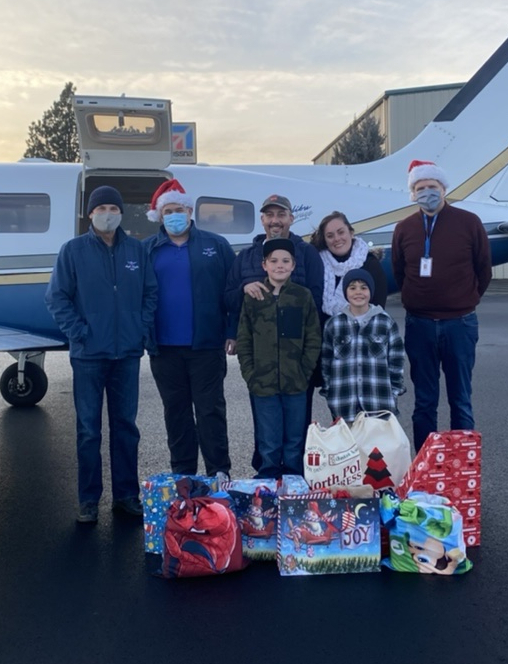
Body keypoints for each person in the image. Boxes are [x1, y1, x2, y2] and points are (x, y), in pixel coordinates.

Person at [45, 186, 157, 523]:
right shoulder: (73, 251)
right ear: (90, 214)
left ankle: (126, 495)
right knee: (88, 430)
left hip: (126, 354)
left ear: (121, 212)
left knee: (126, 427)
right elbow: (57, 298)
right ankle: (88, 499)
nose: (108, 213)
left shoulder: (137, 250)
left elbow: (150, 293)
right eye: (101, 207)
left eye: (113, 207)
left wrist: (140, 327)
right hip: (88, 356)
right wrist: (80, 333)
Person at [391, 159, 492, 449]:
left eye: (432, 186)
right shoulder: (404, 228)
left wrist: (465, 299)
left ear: (443, 188)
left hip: (459, 323)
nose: (427, 192)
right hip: (419, 324)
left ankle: (461, 467)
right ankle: (425, 465)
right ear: (413, 193)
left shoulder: (468, 222)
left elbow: (483, 268)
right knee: (424, 401)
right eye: (420, 188)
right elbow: (400, 271)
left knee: (460, 398)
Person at [143, 178, 236, 480]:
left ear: (190, 211)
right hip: (164, 349)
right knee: (177, 413)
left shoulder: (216, 245)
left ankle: (218, 472)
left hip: (207, 346)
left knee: (210, 412)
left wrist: (232, 330)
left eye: (179, 209)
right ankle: (183, 474)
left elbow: (232, 292)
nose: (174, 215)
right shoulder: (147, 250)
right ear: (159, 215)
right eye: (168, 210)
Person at [235, 238, 321, 479]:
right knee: (269, 438)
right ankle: (268, 478)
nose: (279, 266)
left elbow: (313, 337)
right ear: (264, 265)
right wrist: (250, 374)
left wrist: (304, 372)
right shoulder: (254, 297)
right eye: (274, 261)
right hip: (262, 383)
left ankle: (294, 478)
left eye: (286, 261)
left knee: (294, 438)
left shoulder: (302, 296)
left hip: (296, 383)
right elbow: (244, 339)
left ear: (293, 265)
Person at [319, 268, 405, 422]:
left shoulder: (385, 322)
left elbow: (396, 361)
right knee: (347, 446)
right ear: (346, 292)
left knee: (378, 446)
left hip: (379, 404)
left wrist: (394, 391)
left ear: (371, 291)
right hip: (344, 405)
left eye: (363, 288)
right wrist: (329, 391)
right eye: (352, 288)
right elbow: (326, 362)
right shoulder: (334, 324)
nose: (358, 292)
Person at [311, 210, 388, 317]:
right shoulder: (318, 266)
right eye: (330, 236)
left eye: (341, 232)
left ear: (351, 233)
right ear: (324, 240)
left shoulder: (370, 264)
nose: (337, 239)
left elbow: (378, 307)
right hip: (325, 330)